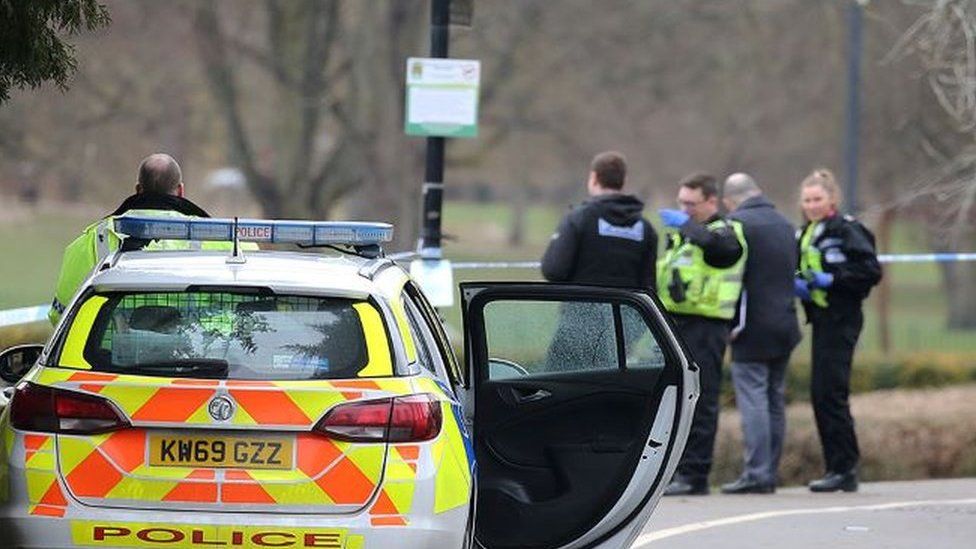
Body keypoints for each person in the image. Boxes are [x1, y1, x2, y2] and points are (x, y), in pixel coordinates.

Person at [658, 173, 746, 496]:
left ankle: (695, 475)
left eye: (691, 204)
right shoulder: (686, 235)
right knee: (679, 399)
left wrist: (685, 226)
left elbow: (719, 249)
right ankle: (678, 470)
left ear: (712, 201)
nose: (684, 209)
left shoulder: (725, 232)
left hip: (707, 326)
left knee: (702, 400)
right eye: (681, 202)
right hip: (678, 323)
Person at [794, 168, 881, 493]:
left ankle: (844, 468)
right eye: (807, 200)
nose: (812, 205)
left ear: (832, 199)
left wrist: (834, 280)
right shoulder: (807, 232)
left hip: (842, 318)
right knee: (821, 393)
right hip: (821, 319)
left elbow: (869, 270)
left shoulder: (847, 230)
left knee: (831, 393)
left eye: (817, 199)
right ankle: (836, 465)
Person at [49, 153, 211, 324]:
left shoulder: (92, 240)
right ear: (180, 191)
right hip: (192, 349)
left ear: (138, 190)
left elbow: (61, 315)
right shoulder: (217, 239)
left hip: (106, 351)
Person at [718, 173, 801, 495]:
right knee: (774, 400)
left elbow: (736, 279)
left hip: (750, 327)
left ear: (729, 200)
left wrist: (732, 326)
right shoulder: (785, 223)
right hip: (785, 324)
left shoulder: (738, 225)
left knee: (752, 400)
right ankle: (770, 471)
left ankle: (757, 473)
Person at [541, 151, 657, 289]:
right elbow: (649, 284)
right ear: (624, 180)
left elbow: (553, 271)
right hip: (627, 310)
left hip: (581, 308)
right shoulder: (645, 228)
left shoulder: (577, 220)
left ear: (594, 178)